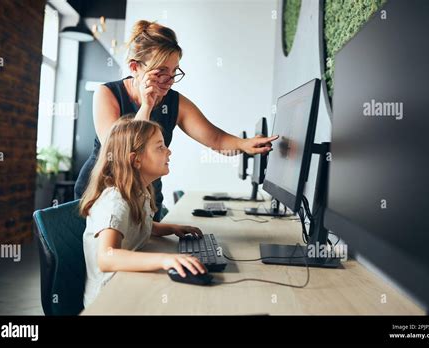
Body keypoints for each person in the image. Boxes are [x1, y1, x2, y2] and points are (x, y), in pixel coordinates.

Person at [74, 19, 278, 221]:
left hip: (147, 199)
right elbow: (120, 151)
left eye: (174, 72)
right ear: (135, 67)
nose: (169, 81)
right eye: (161, 71)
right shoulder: (108, 93)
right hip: (104, 196)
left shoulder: (174, 102)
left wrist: (245, 145)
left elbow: (216, 139)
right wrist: (146, 106)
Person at [79, 117, 207, 308]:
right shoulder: (115, 201)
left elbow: (135, 224)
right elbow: (107, 257)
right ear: (135, 159)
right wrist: (165, 260)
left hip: (126, 283)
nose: (169, 151)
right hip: (108, 300)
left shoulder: (138, 192)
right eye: (160, 147)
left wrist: (171, 228)